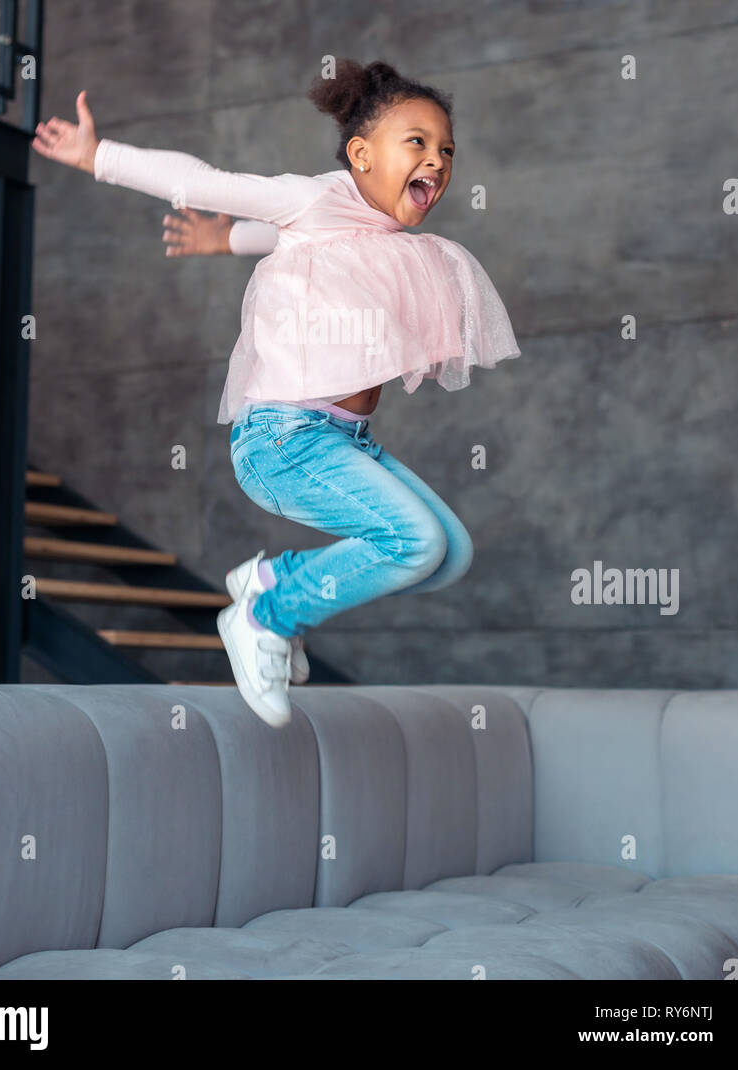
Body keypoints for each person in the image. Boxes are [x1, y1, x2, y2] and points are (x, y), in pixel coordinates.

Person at [32, 58, 520, 728]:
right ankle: (268, 610)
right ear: (361, 154)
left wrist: (225, 239)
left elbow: (306, 240)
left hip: (343, 441)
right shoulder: (312, 196)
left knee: (448, 554)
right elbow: (203, 180)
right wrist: (97, 155)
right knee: (414, 544)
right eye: (417, 143)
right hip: (284, 442)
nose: (436, 159)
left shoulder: (366, 227)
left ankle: (273, 579)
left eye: (446, 150)